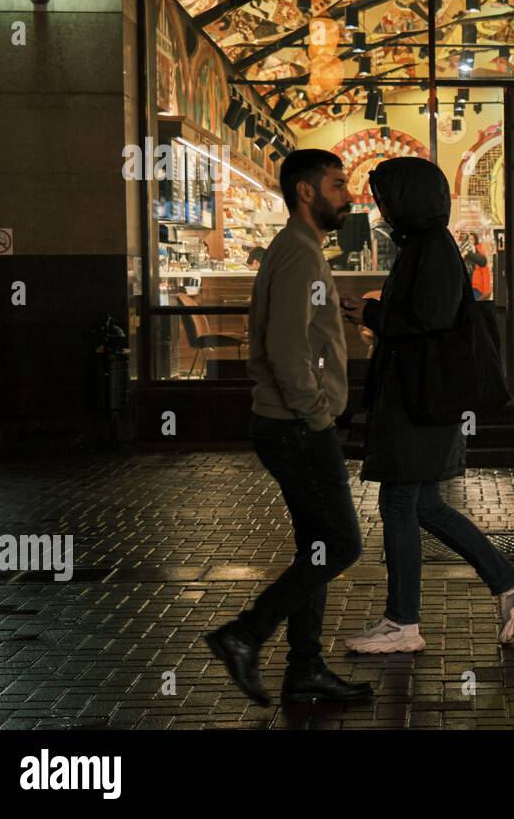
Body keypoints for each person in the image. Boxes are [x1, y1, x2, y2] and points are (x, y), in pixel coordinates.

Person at [339, 158, 514, 654]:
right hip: (423, 399)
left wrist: (372, 313)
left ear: (410, 198)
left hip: (420, 401)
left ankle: (403, 622)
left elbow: (428, 317)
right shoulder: (424, 244)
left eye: (386, 197)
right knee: (424, 504)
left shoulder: (429, 247)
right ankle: (509, 583)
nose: (380, 207)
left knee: (400, 503)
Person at [204, 149, 371, 706]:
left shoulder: (299, 249)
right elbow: (285, 347)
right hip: (297, 426)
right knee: (343, 543)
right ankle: (244, 634)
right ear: (307, 192)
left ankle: (306, 669)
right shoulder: (299, 253)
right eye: (338, 184)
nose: (348, 195)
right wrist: (318, 414)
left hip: (289, 422)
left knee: (318, 547)